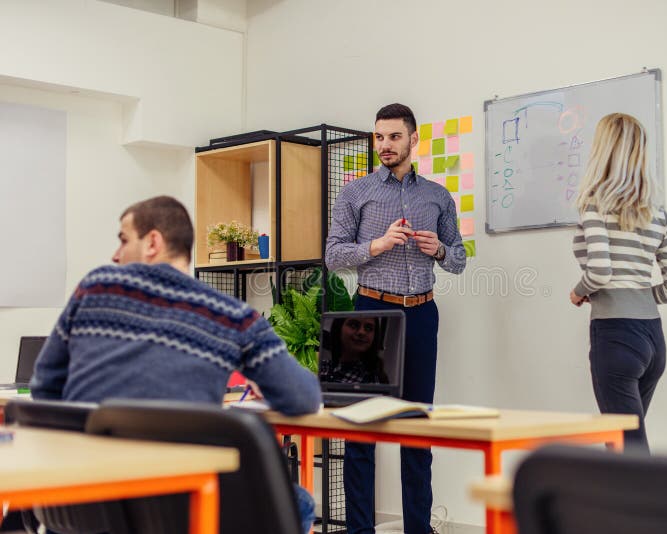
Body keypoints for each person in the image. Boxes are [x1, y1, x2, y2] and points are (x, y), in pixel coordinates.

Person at [30, 195, 320, 533]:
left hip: (79, 504)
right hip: (176, 509)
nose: (116, 255)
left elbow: (45, 386)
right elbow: (302, 398)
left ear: (153, 242)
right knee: (300, 502)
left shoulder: (95, 288)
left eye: (123, 240)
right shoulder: (233, 316)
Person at [326, 103, 466, 534]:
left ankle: (419, 529)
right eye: (379, 137)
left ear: (413, 139)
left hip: (422, 313)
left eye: (394, 137)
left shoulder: (437, 196)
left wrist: (438, 250)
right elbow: (333, 256)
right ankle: (359, 531)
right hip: (370, 315)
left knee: (417, 428)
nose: (385, 145)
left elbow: (459, 259)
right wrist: (379, 244)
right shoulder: (355, 193)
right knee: (361, 431)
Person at [570, 113, 667, 453]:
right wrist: (634, 294)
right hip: (653, 340)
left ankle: (653, 494)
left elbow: (600, 271)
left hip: (617, 336)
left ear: (602, 149)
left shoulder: (594, 203)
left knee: (627, 452)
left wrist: (578, 292)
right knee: (624, 447)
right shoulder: (657, 213)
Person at [319, 317, 388, 384]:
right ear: (338, 327)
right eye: (353, 325)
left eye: (368, 328)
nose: (362, 332)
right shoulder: (323, 366)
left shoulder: (371, 381)